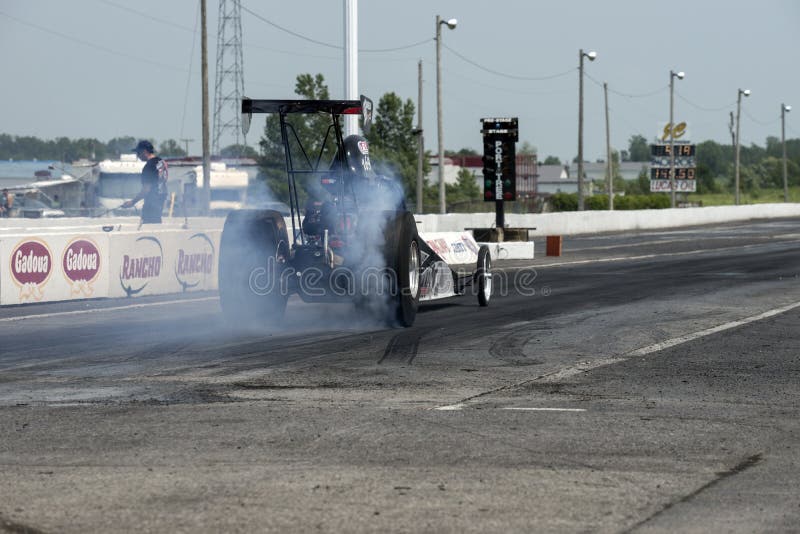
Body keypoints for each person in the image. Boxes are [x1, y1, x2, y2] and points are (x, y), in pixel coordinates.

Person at [121, 140, 168, 223]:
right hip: (161, 200)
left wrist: (132, 202)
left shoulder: (148, 167)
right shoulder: (161, 162)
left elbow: (146, 189)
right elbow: (164, 179)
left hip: (152, 202)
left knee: (149, 226)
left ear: (144, 151)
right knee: (157, 223)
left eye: (138, 153)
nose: (137, 156)